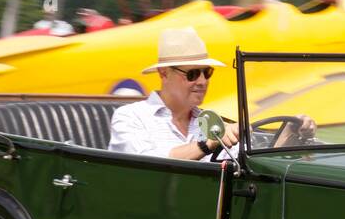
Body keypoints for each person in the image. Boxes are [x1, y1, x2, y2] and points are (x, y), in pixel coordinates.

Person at [108, 28, 315, 161]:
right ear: (164, 74)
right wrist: (208, 143)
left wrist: (291, 132)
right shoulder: (131, 117)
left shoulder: (209, 120)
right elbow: (150, 164)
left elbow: (250, 164)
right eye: (192, 74)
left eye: (206, 72)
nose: (202, 81)